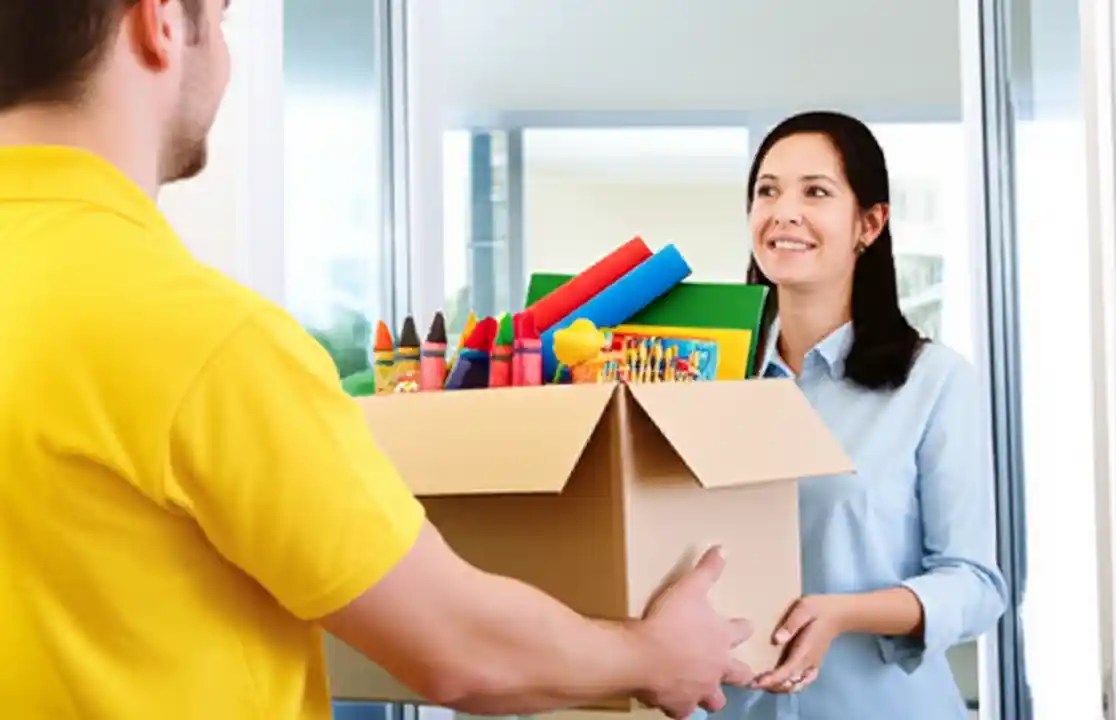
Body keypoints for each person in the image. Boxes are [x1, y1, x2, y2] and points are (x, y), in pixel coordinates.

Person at [0, 2, 753, 719]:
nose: (226, 57)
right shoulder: (193, 334)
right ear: (161, 21)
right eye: (222, 21)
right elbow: (459, 649)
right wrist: (651, 654)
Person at [715, 111, 1009, 719]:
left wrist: (843, 613)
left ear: (869, 224)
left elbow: (975, 584)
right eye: (767, 191)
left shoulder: (933, 382)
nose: (784, 211)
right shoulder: (710, 384)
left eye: (815, 192)